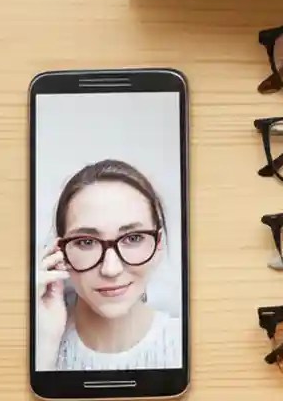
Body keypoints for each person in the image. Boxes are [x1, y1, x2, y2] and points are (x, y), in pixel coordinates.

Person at [36, 159, 182, 371]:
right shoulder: (40, 346)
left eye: (132, 238)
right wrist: (44, 344)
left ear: (158, 243)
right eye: (86, 242)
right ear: (60, 254)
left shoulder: (187, 346)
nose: (111, 269)